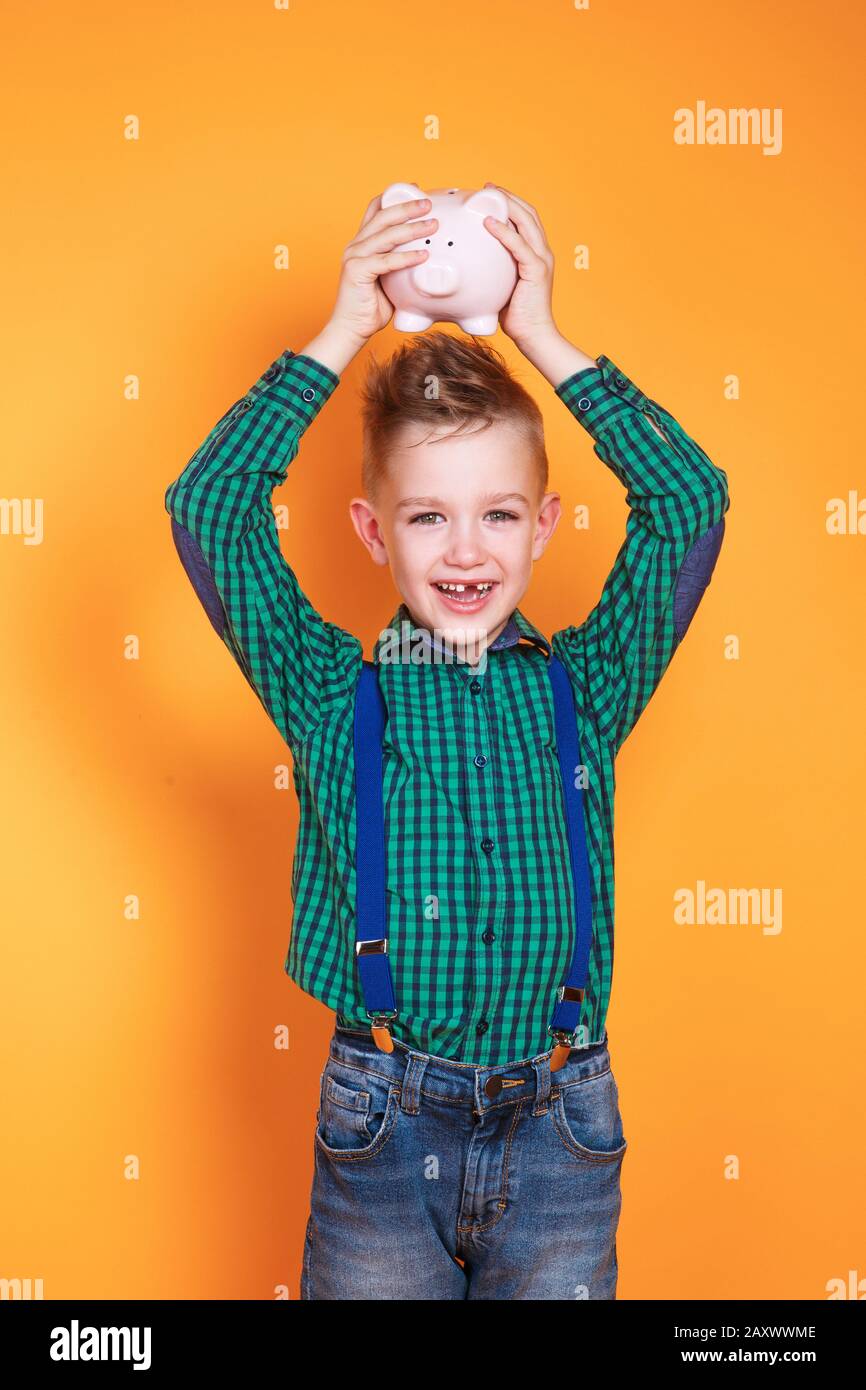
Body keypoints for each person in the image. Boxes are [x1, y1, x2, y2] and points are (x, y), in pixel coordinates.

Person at [164, 183, 730, 1299]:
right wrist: (342, 328)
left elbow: (689, 502)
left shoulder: (590, 681)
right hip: (380, 1122)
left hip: (560, 1125)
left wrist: (538, 334)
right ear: (373, 529)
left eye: (497, 512)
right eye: (428, 515)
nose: (464, 548)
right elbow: (209, 507)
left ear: (544, 524)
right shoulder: (328, 689)